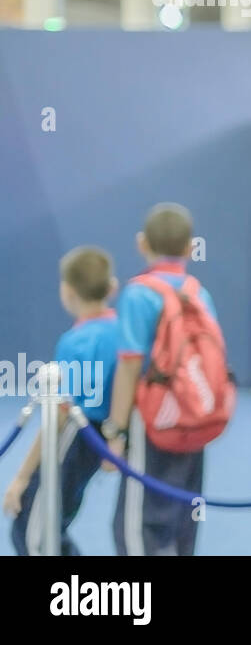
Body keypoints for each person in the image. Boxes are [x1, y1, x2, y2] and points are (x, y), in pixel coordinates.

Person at [103, 203, 222, 556]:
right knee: (183, 514)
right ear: (189, 248)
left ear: (142, 244)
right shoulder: (199, 293)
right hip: (195, 419)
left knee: (137, 527)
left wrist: (116, 431)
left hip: (152, 423)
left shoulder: (138, 294)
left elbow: (129, 366)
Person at [5, 247, 120, 555]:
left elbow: (57, 417)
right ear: (111, 287)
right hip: (97, 439)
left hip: (75, 437)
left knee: (31, 531)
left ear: (68, 291)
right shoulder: (121, 331)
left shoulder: (74, 342)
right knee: (52, 523)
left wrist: (21, 475)